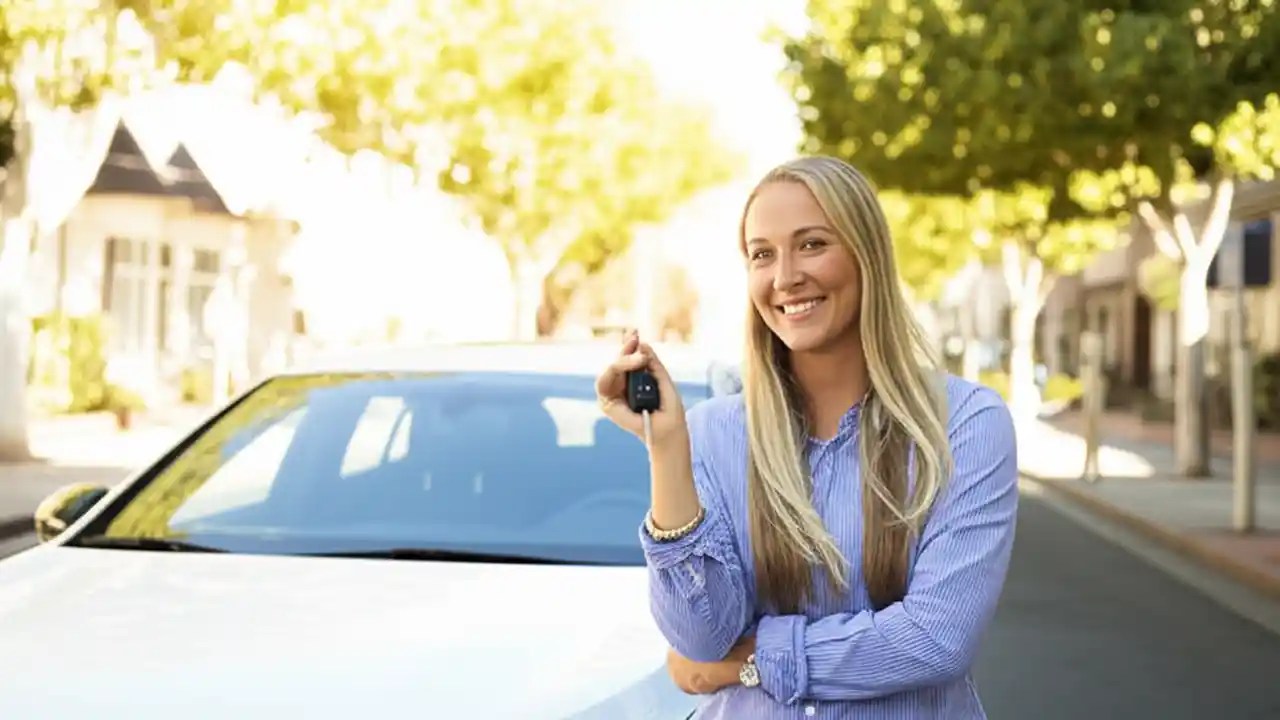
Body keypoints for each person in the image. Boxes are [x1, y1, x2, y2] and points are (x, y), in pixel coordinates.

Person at [595, 155, 1019, 718]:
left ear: (867, 255)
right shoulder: (712, 433)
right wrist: (667, 448)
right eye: (762, 254)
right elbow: (700, 639)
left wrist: (750, 662)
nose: (785, 276)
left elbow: (935, 639)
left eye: (813, 244)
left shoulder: (965, 424)